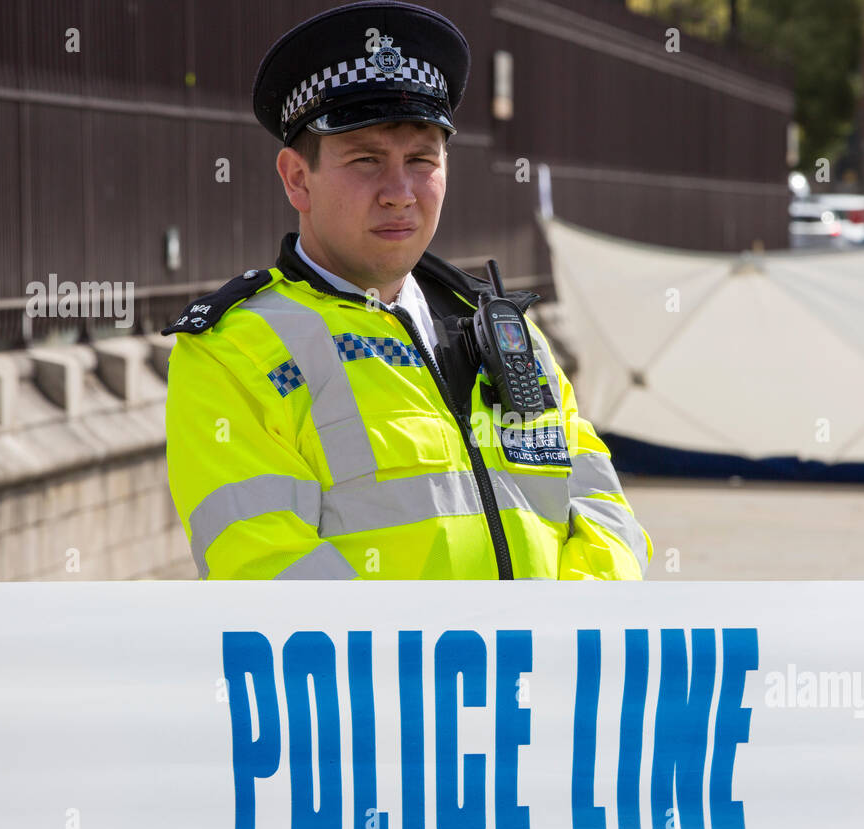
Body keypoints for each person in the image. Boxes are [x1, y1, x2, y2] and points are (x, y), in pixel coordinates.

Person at [163, 0, 651, 580]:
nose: (400, 192)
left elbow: (604, 512)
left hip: (542, 668)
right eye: (366, 160)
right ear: (298, 178)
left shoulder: (505, 331)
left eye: (422, 159)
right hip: (392, 674)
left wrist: (563, 642)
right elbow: (269, 571)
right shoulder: (230, 355)